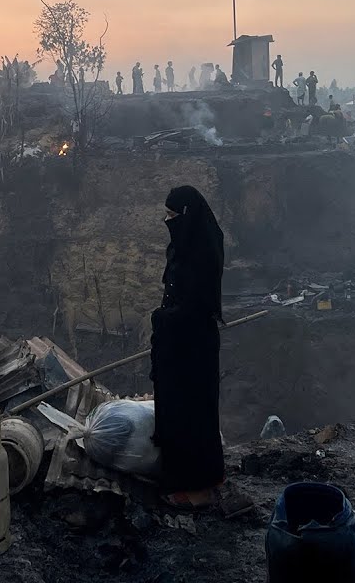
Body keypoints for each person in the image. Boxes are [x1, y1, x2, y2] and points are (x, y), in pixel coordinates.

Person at [150, 186, 226, 509]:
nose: (168, 221)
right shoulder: (181, 246)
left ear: (187, 217)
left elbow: (196, 306)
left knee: (194, 415)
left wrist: (163, 319)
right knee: (175, 413)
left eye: (172, 216)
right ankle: (183, 477)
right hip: (175, 346)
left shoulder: (203, 254)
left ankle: (196, 487)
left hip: (193, 348)